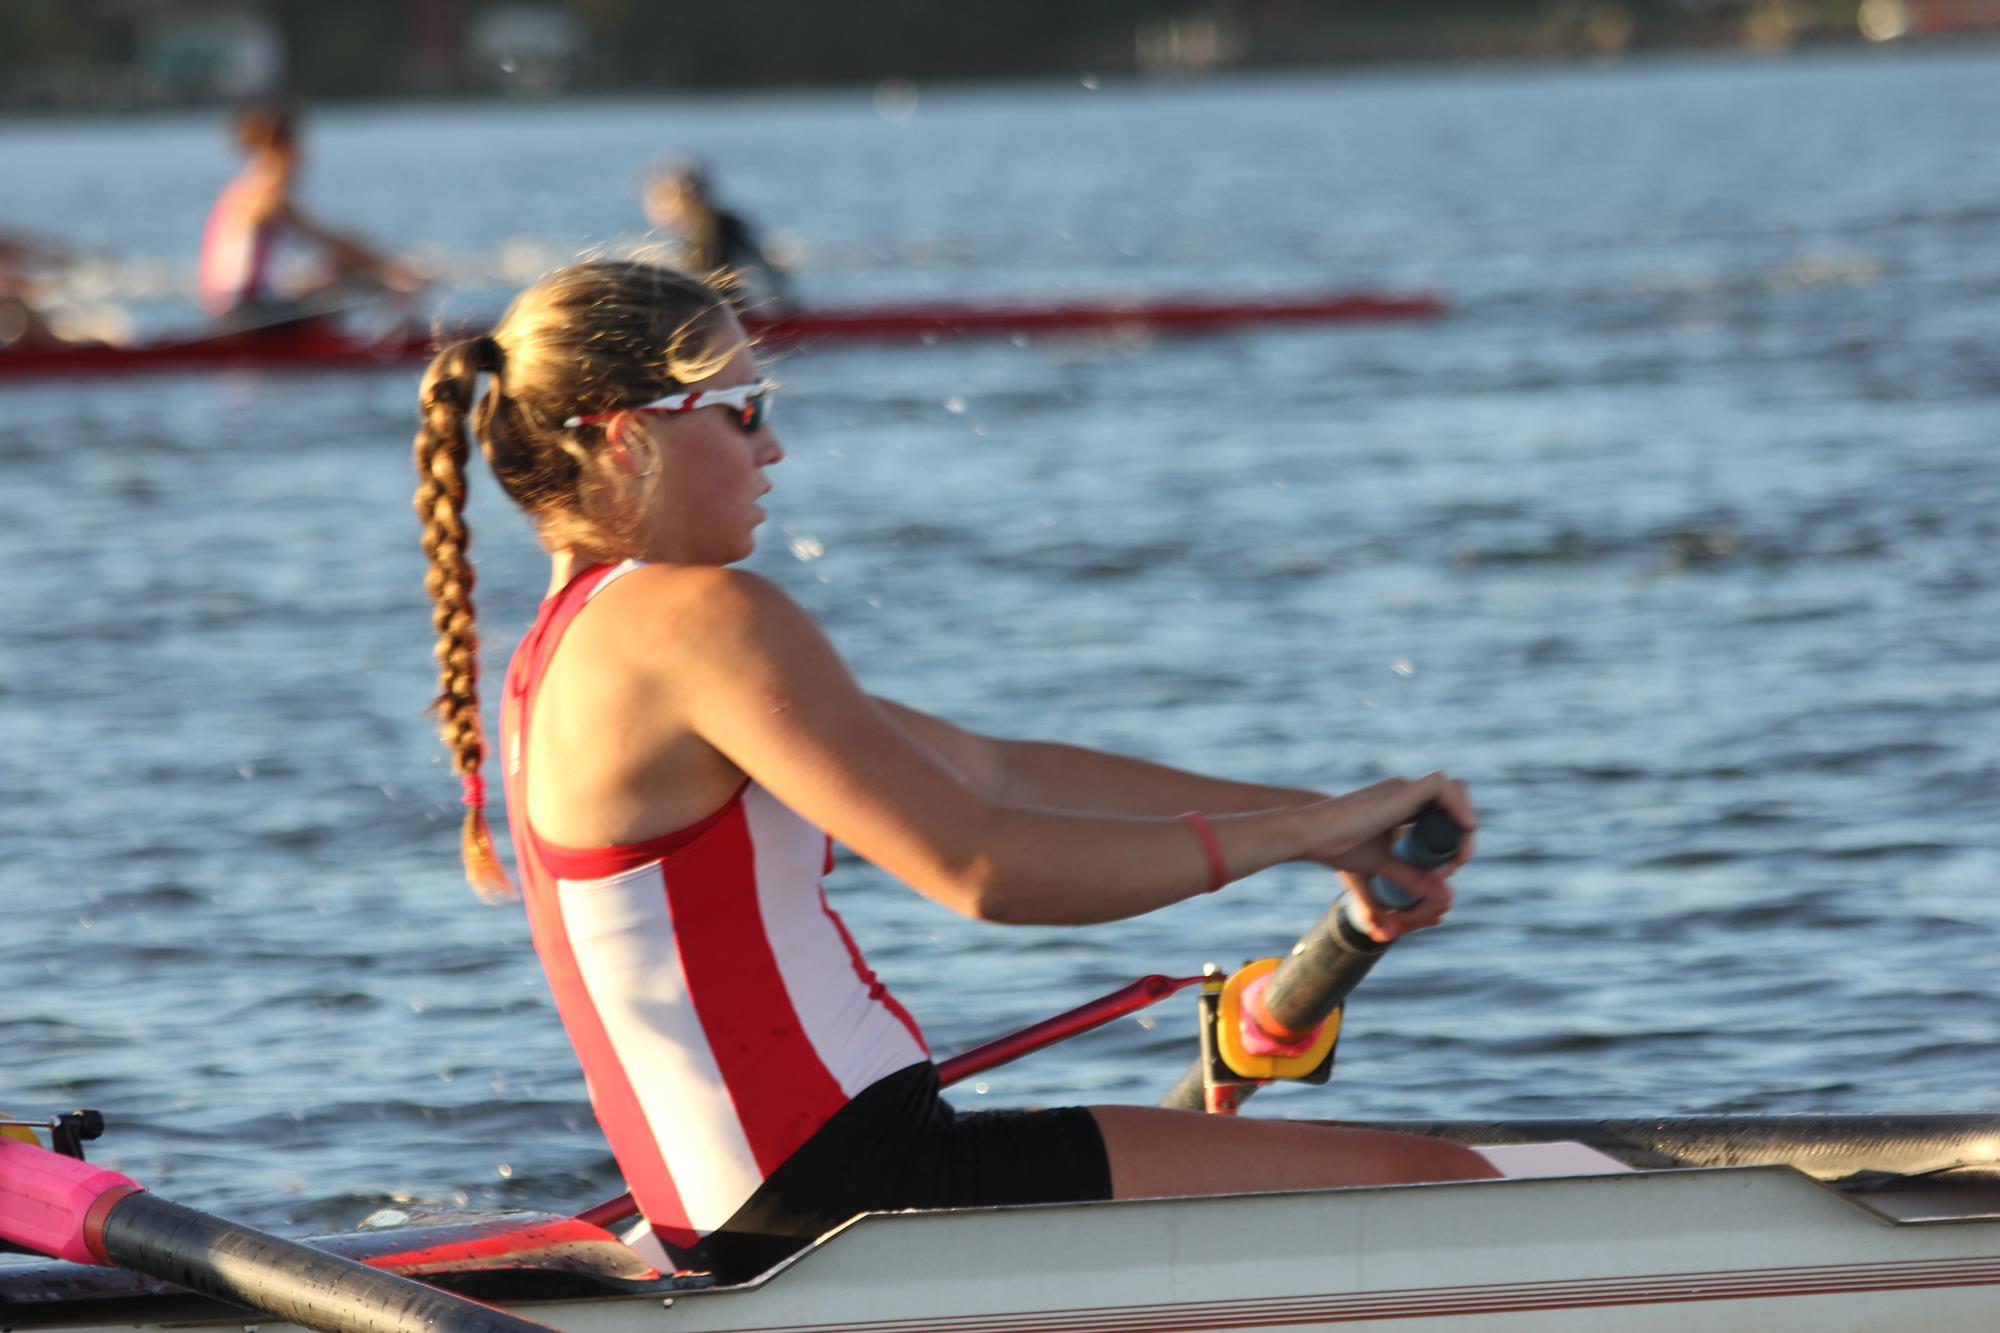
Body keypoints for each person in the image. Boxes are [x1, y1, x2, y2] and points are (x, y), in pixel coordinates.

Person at [411, 260, 1495, 1282]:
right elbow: (984, 866)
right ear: (626, 438)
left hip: (767, 1196)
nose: (773, 447)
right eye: (741, 411)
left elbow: (992, 770)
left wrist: (1324, 819)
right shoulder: (692, 617)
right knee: (1438, 1192)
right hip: (852, 1198)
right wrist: (1298, 839)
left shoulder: (571, 645)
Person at [198, 102, 423, 320]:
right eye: (300, 147)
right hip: (246, 316)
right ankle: (401, 330)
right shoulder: (265, 200)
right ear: (288, 148)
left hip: (235, 312)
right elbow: (332, 241)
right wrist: (395, 269)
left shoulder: (240, 190)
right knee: (346, 269)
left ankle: (394, 324)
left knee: (327, 276)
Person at [642, 163, 791, 308]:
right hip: (751, 308)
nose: (653, 210)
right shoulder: (712, 227)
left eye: (659, 201)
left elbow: (712, 286)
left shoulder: (716, 231)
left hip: (742, 313)